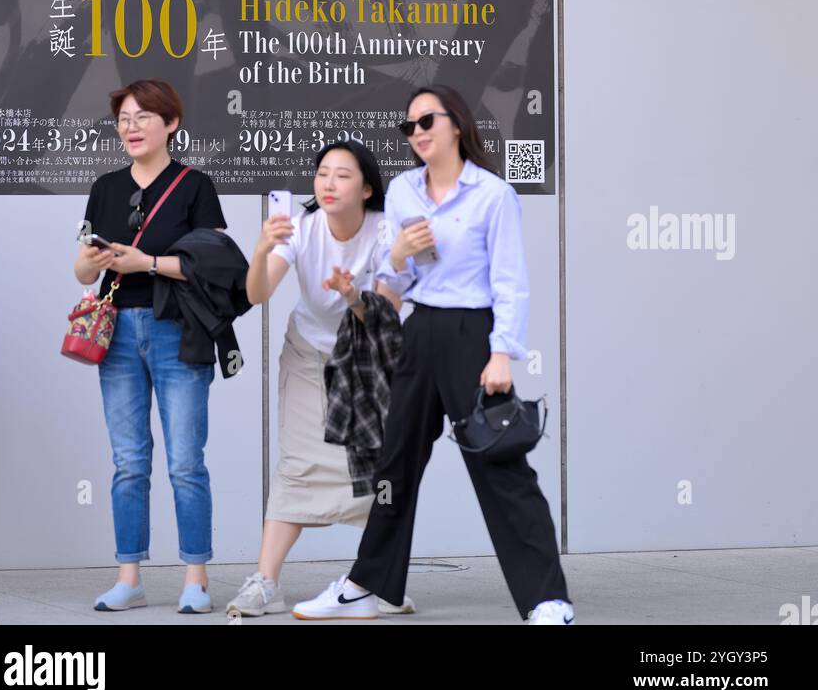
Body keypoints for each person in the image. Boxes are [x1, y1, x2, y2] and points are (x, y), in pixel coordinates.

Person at [292, 85, 575, 625]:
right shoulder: (402, 192)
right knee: (393, 462)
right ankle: (367, 587)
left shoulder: (491, 194)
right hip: (418, 332)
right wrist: (396, 254)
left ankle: (546, 599)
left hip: (474, 335)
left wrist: (502, 354)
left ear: (457, 124)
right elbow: (394, 282)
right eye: (409, 127)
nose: (417, 133)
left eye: (427, 121)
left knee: (501, 466)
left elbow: (510, 282)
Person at [225, 141, 409, 620]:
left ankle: (377, 583)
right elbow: (258, 293)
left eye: (342, 175)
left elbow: (385, 314)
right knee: (299, 463)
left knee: (377, 474)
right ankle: (265, 583)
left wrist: (352, 296)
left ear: (367, 188)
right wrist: (264, 245)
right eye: (322, 173)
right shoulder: (300, 228)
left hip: (365, 357)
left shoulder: (387, 230)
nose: (328, 183)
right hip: (308, 354)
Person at [73, 78, 227, 614]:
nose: (131, 127)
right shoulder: (105, 187)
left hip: (176, 329)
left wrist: (148, 264)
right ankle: (129, 576)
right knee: (128, 461)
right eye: (124, 119)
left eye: (143, 117)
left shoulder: (194, 185)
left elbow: (213, 263)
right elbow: (79, 269)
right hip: (115, 331)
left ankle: (196, 578)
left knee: (186, 460)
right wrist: (92, 261)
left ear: (171, 124)